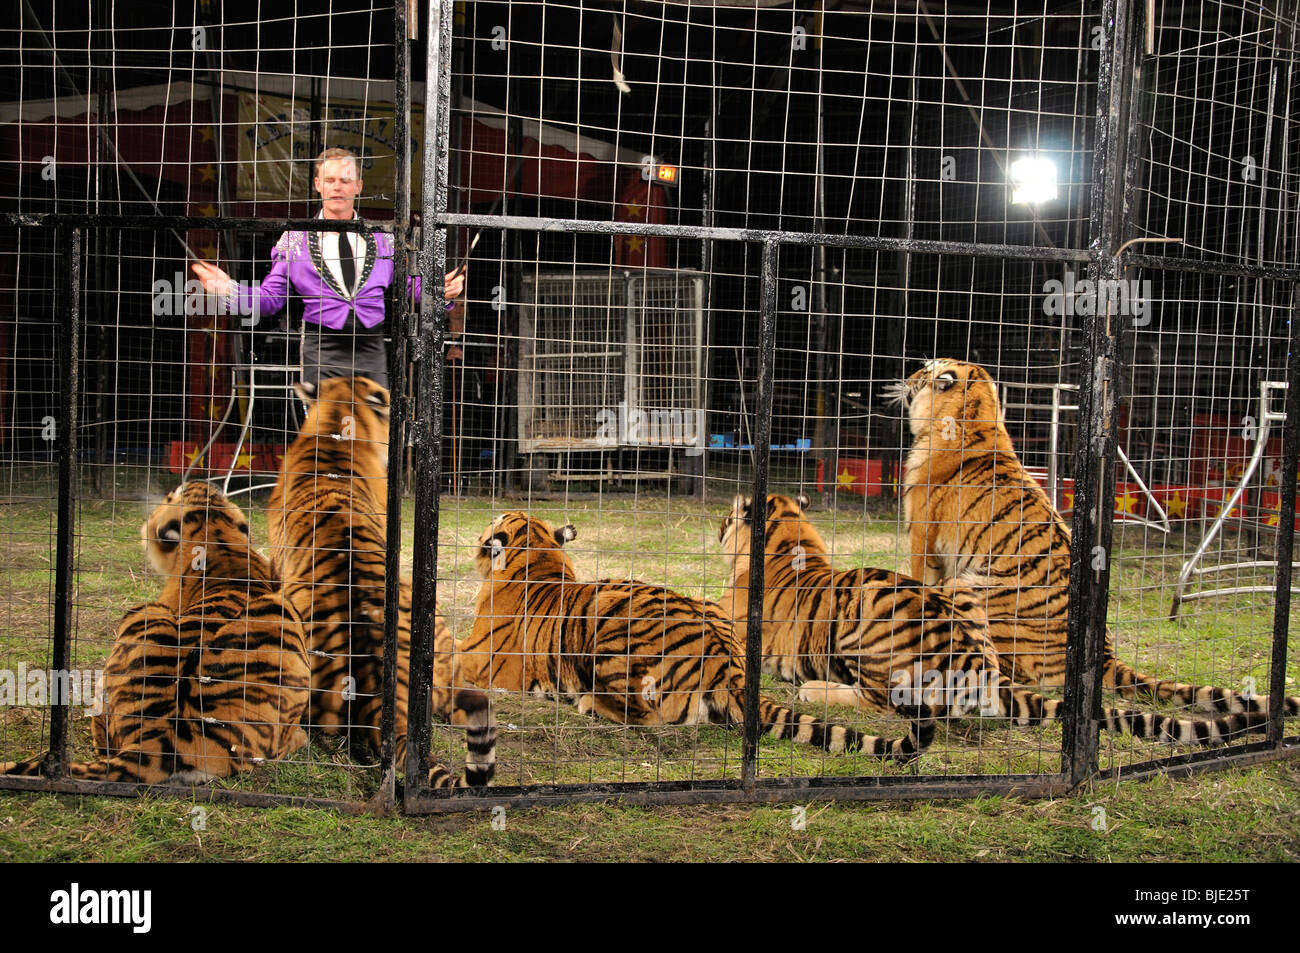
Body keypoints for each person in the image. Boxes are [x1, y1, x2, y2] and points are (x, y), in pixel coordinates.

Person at [191, 147, 465, 389]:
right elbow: (270, 300)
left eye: (345, 181)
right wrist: (229, 291)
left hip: (371, 348)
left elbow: (411, 289)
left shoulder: (384, 240)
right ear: (318, 184)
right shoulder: (294, 240)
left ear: (358, 186)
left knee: (371, 442)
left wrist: (441, 293)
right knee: (326, 443)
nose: (338, 187)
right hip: (322, 350)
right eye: (331, 180)